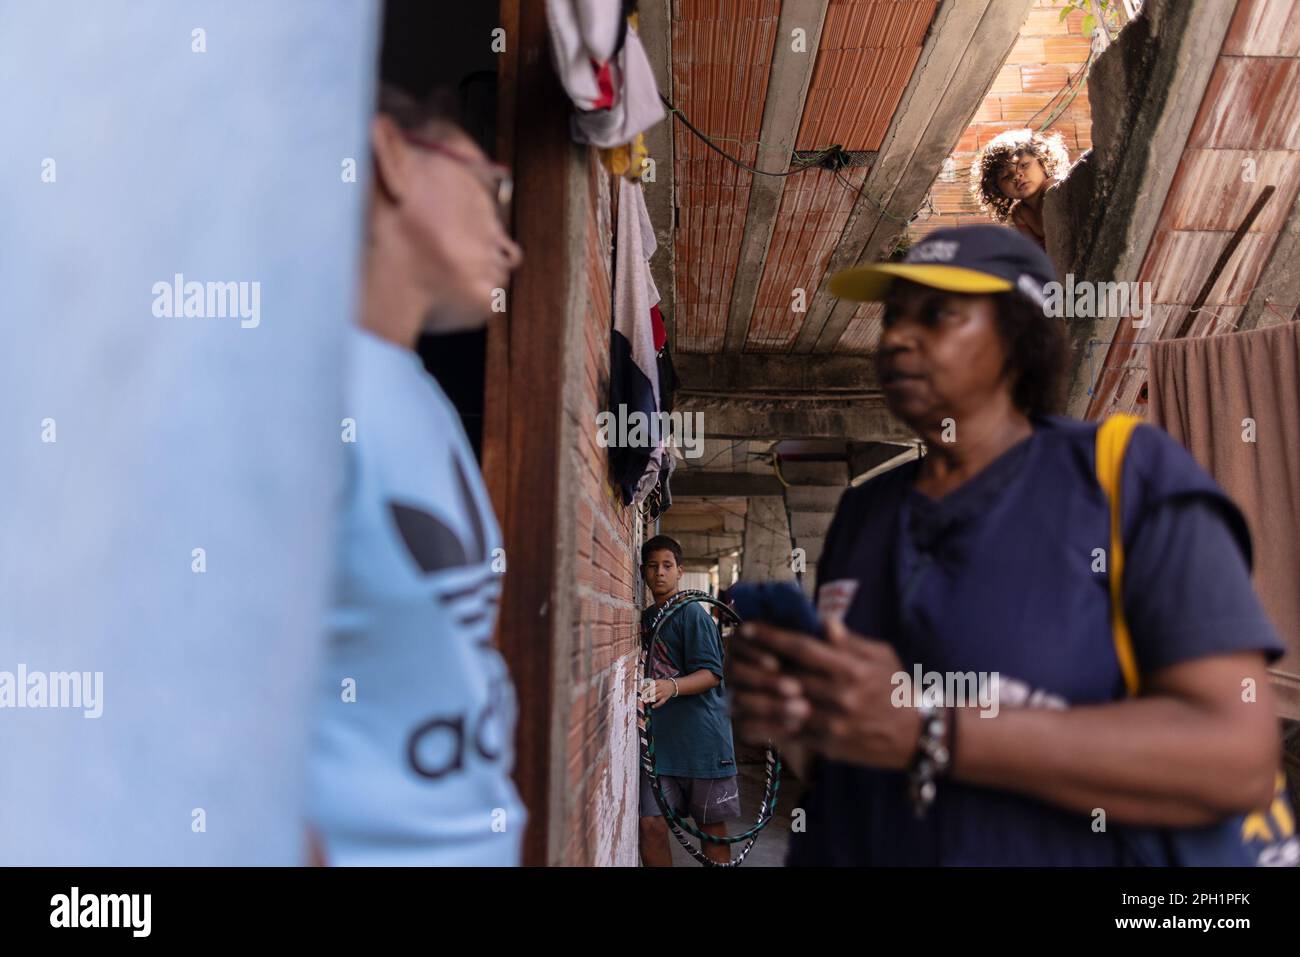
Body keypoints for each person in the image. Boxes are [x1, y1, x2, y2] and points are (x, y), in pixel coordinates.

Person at [727, 225, 1287, 866]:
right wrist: (799, 715)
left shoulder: (1124, 478)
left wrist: (931, 729)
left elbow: (1232, 757)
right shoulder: (866, 510)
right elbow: (854, 752)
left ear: (1020, 340)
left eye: (938, 314)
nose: (899, 338)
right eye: (893, 318)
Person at [306, 85, 525, 865]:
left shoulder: (417, 390)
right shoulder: (295, 385)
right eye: (489, 187)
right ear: (393, 156)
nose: (511, 244)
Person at [638, 535, 740, 865]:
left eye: (667, 566)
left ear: (680, 571)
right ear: (643, 572)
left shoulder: (692, 614)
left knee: (711, 829)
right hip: (662, 749)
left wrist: (671, 687)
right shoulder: (646, 618)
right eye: (652, 567)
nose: (659, 573)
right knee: (650, 825)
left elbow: (712, 673)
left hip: (703, 744)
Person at [970, 128, 1070, 250]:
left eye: (1024, 165)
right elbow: (1034, 253)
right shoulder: (1019, 213)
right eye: (1006, 176)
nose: (1017, 176)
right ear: (997, 188)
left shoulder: (1055, 186)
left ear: (1043, 161)